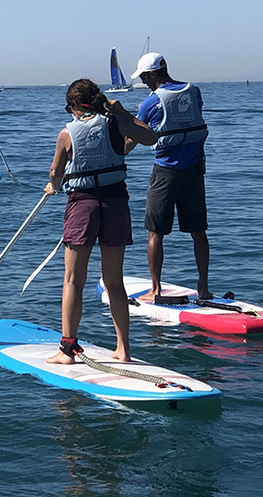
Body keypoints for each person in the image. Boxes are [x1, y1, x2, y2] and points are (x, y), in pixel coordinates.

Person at [44, 79, 157, 365]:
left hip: (83, 206)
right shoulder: (116, 123)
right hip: (116, 204)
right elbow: (151, 137)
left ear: (74, 106)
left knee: (73, 280)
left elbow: (56, 172)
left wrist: (53, 186)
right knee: (114, 281)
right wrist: (122, 113)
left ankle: (67, 351)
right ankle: (123, 349)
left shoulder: (66, 134)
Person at [127, 52, 211, 302]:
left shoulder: (151, 102)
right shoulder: (193, 91)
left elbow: (131, 140)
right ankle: (204, 288)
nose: (143, 81)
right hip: (195, 171)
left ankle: (155, 290)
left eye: (143, 76)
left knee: (155, 232)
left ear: (153, 74)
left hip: (165, 172)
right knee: (198, 231)